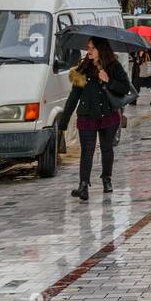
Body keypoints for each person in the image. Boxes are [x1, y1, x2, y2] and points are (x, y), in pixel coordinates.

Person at [60, 37, 131, 201]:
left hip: (108, 116)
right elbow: (73, 96)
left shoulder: (113, 66)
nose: (89, 51)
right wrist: (63, 121)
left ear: (101, 49)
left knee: (107, 149)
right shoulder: (83, 68)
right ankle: (83, 185)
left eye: (92, 48)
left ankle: (107, 179)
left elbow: (125, 88)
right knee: (87, 151)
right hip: (86, 116)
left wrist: (108, 80)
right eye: (88, 48)